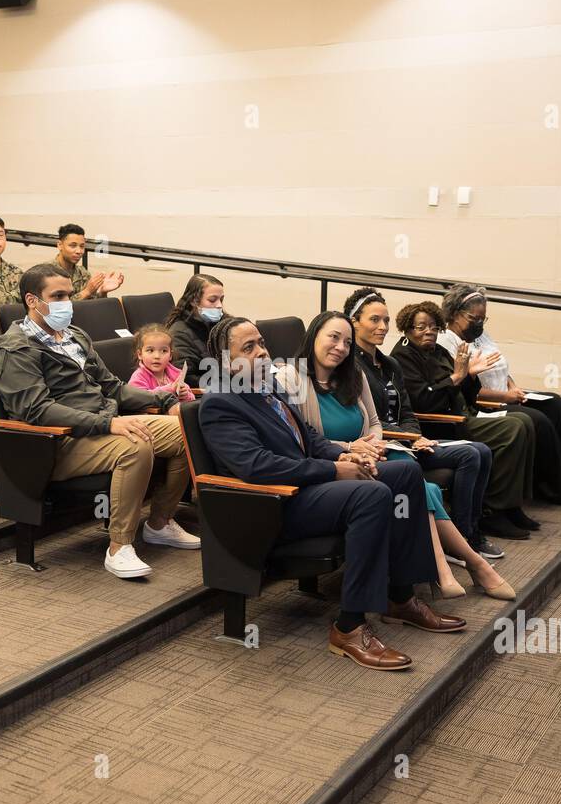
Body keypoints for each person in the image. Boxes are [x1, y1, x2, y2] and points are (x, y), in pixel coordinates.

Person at [200, 315, 466, 671]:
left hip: (306, 489)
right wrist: (333, 470)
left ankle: (400, 597)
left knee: (404, 472)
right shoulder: (221, 404)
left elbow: (310, 439)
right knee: (370, 496)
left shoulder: (270, 389)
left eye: (261, 343)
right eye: (248, 348)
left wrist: (344, 455)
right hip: (272, 506)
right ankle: (349, 628)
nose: (262, 352)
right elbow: (257, 466)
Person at [276, 311, 513, 601]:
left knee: (413, 476)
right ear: (313, 336)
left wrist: (373, 444)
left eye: (347, 343)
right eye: (333, 337)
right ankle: (461, 565)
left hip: (375, 453)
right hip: (338, 463)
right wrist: (351, 448)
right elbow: (304, 439)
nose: (340, 347)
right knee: (424, 488)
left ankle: (457, 566)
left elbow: (374, 421)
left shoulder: (353, 374)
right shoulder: (290, 379)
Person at [0, 264, 199, 580]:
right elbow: (37, 410)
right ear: (32, 300)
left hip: (99, 424)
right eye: (56, 296)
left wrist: (165, 401)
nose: (66, 303)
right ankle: (119, 547)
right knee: (135, 444)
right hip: (55, 443)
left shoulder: (75, 335)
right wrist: (107, 424)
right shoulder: (13, 347)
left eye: (69, 295)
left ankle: (159, 524)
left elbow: (112, 387)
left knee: (188, 430)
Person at [344, 287, 503, 562]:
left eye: (385, 320)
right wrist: (408, 437)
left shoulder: (389, 363)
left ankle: (472, 533)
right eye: (374, 320)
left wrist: (415, 435)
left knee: (481, 451)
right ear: (354, 322)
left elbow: (407, 409)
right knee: (469, 455)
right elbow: (368, 420)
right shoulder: (351, 366)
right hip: (386, 444)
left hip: (407, 440)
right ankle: (461, 539)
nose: (382, 327)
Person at [390, 301, 539, 540]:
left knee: (526, 421)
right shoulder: (403, 357)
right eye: (421, 327)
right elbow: (423, 401)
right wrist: (457, 376)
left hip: (465, 413)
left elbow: (469, 393)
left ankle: (512, 506)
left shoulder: (437, 351)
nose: (428, 331)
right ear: (407, 329)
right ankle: (495, 510)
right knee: (514, 427)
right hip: (446, 423)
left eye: (433, 326)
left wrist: (469, 374)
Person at [438, 284, 561, 504]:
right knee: (537, 420)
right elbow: (466, 390)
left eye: (483, 319)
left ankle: (549, 481)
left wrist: (513, 387)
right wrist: (507, 397)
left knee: (553, 404)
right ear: (456, 314)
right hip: (482, 405)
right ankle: (560, 484)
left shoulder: (481, 336)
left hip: (504, 396)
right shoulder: (447, 342)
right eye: (474, 318)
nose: (479, 324)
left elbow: (500, 366)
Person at [164, 273, 225, 388]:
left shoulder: (222, 324)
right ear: (194, 301)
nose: (219, 305)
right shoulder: (179, 333)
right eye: (212, 300)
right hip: (204, 395)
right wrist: (226, 384)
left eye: (221, 299)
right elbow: (186, 377)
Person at [44, 223, 123, 299]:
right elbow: (54, 308)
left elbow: (92, 304)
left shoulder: (83, 273)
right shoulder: (46, 273)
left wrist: (102, 292)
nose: (79, 251)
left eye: (82, 246)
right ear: (60, 245)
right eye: (73, 245)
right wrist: (87, 292)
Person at [126, 324, 196, 402]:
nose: (157, 356)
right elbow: (139, 399)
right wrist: (170, 389)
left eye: (164, 351)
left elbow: (192, 398)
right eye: (150, 350)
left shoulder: (176, 374)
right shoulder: (138, 376)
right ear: (140, 354)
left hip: (176, 412)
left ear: (170, 355)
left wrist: (185, 395)